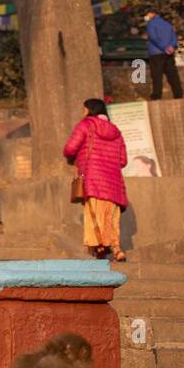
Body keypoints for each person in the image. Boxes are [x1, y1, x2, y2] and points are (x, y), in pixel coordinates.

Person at [63, 98, 128, 262]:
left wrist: (75, 157)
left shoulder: (86, 125)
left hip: (93, 178)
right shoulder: (116, 131)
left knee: (94, 214)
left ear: (89, 110)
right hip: (113, 182)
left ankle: (99, 248)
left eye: (83, 109)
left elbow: (70, 148)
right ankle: (116, 247)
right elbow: (123, 161)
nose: (82, 113)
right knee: (110, 216)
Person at [143, 9, 183, 100]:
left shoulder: (151, 24)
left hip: (156, 53)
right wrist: (171, 47)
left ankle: (156, 95)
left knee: (157, 75)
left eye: (147, 14)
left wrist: (164, 47)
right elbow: (174, 37)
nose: (146, 16)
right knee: (172, 74)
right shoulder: (167, 24)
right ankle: (178, 93)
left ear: (152, 13)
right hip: (169, 53)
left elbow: (153, 38)